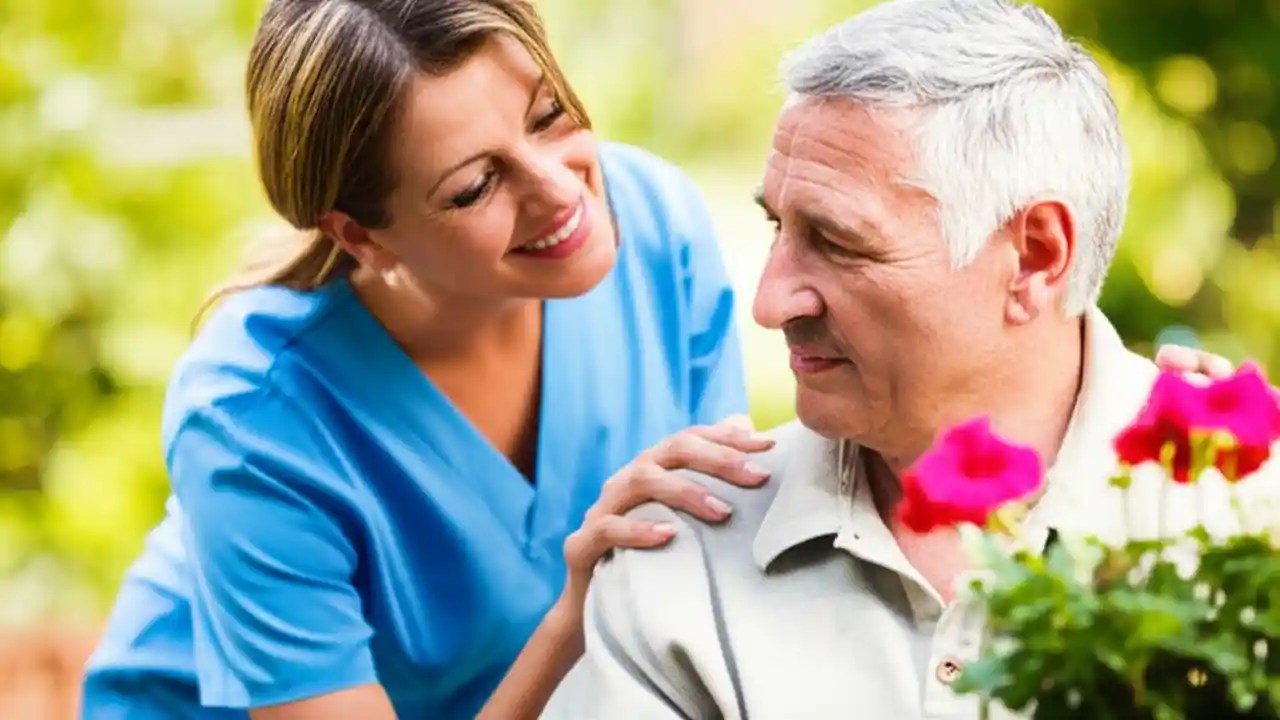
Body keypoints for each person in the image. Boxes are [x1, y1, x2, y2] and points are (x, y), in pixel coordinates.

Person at [541, 1, 1278, 718]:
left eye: (837, 242)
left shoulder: (1252, 511)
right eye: (779, 227)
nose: (770, 303)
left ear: (1035, 257)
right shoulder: (682, 552)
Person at [79, 1, 774, 718]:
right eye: (475, 187)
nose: (560, 190)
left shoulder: (655, 227)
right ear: (362, 237)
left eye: (547, 115)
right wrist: (580, 612)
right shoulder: (251, 417)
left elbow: (715, 575)